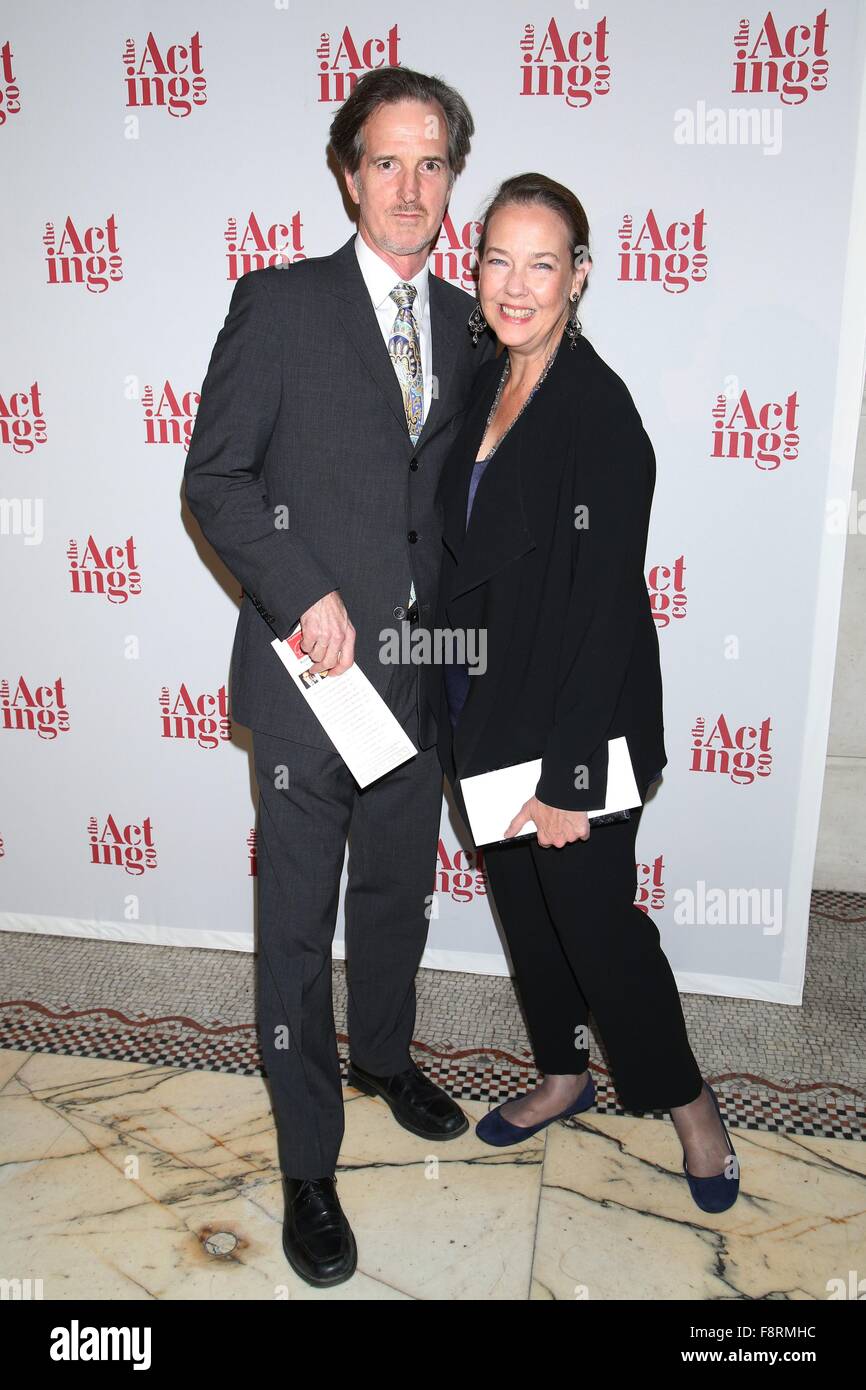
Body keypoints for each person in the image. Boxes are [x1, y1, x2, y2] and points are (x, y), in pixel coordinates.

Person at [183, 67, 496, 1288]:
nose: (409, 186)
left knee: (397, 900)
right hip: (312, 679)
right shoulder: (280, 305)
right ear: (346, 172)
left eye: (431, 163)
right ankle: (307, 1158)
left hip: (420, 678)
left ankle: (386, 1058)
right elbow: (214, 479)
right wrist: (297, 587)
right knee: (297, 931)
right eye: (386, 161)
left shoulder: (477, 321)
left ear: (451, 180)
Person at [425, 173, 739, 1216]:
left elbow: (605, 607)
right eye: (496, 260)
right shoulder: (479, 375)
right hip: (483, 708)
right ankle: (562, 1073)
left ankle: (688, 1102)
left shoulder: (598, 414)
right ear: (473, 271)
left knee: (597, 929)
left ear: (580, 276)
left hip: (576, 726)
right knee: (525, 912)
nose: (515, 285)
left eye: (541, 263)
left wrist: (565, 781)